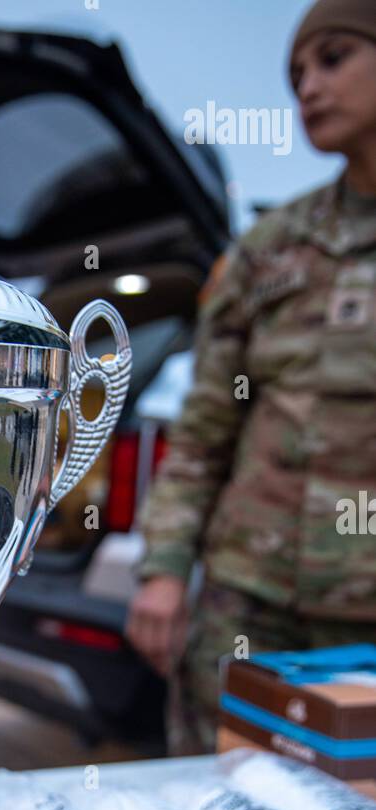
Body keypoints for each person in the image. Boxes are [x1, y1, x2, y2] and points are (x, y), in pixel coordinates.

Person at [126, 0, 376, 756]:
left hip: (365, 615)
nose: (308, 87)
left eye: (334, 59)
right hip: (247, 600)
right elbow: (203, 430)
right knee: (217, 799)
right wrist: (165, 572)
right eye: (296, 72)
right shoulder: (268, 250)